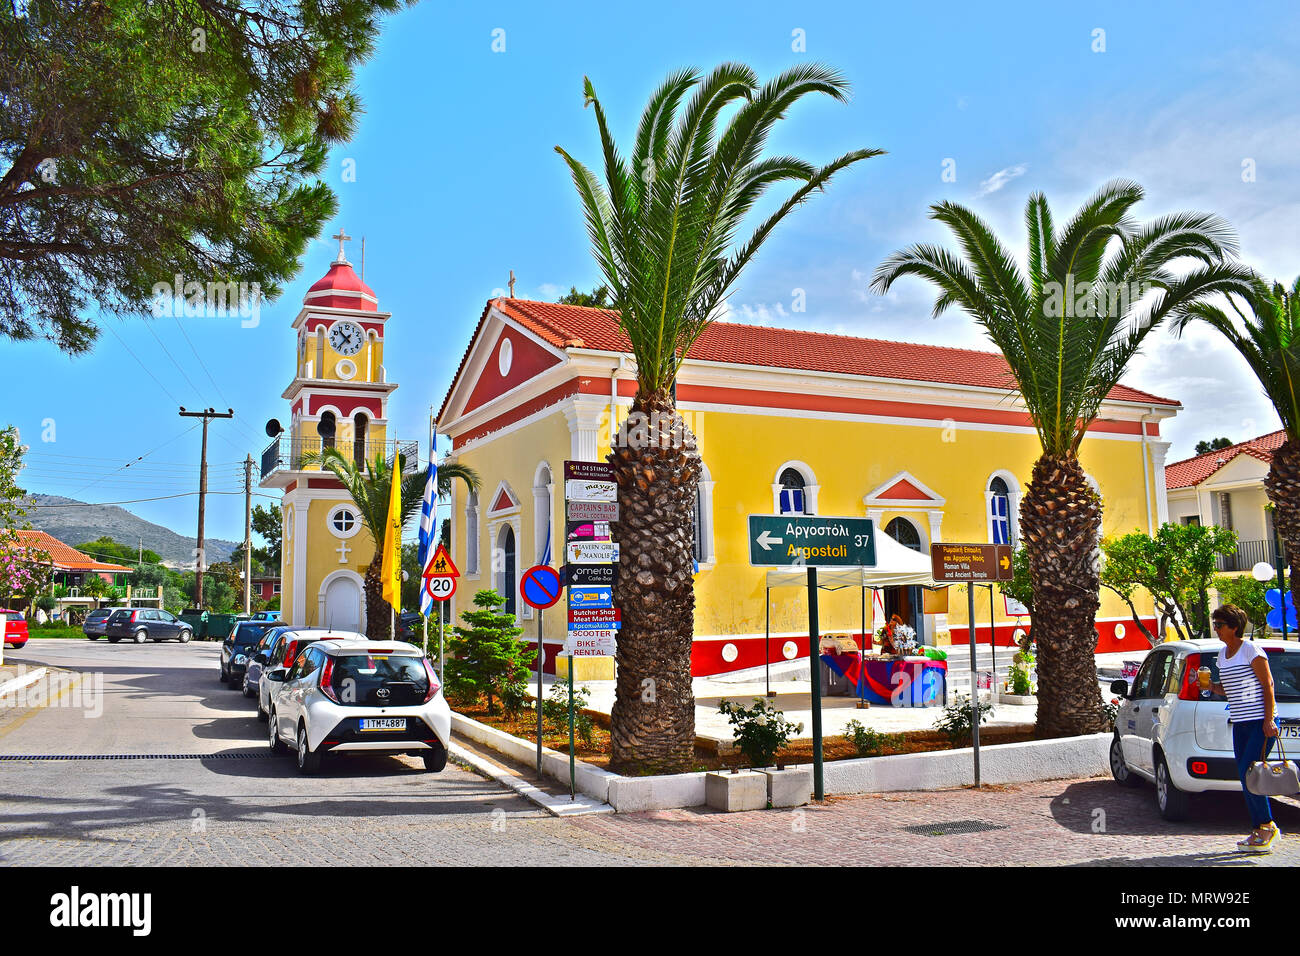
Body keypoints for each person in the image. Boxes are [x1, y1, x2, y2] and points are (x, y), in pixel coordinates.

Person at [1207, 604, 1280, 852]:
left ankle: (1266, 827)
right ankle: (1261, 828)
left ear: (1234, 627)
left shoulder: (1251, 650)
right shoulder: (1222, 654)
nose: (1216, 629)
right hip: (1240, 723)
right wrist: (1210, 687)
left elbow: (1268, 685)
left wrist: (1269, 720)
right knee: (1245, 776)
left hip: (1260, 722)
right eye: (1214, 624)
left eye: (1220, 625)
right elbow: (1229, 690)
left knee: (1251, 775)